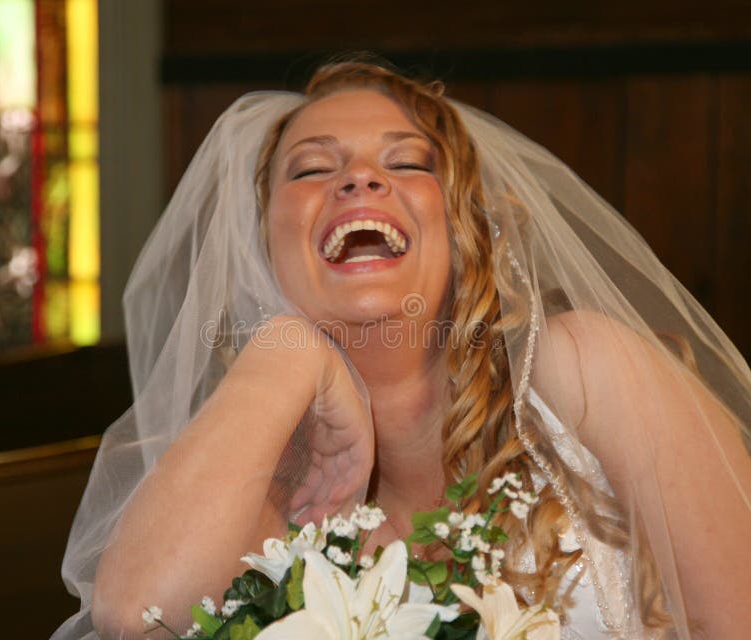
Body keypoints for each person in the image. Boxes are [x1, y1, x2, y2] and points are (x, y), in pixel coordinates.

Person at [52, 60, 751, 640]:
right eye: (309, 170)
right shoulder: (254, 481)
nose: (358, 178)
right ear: (261, 247)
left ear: (467, 224)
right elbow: (129, 616)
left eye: (406, 161)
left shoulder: (585, 371)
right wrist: (286, 353)